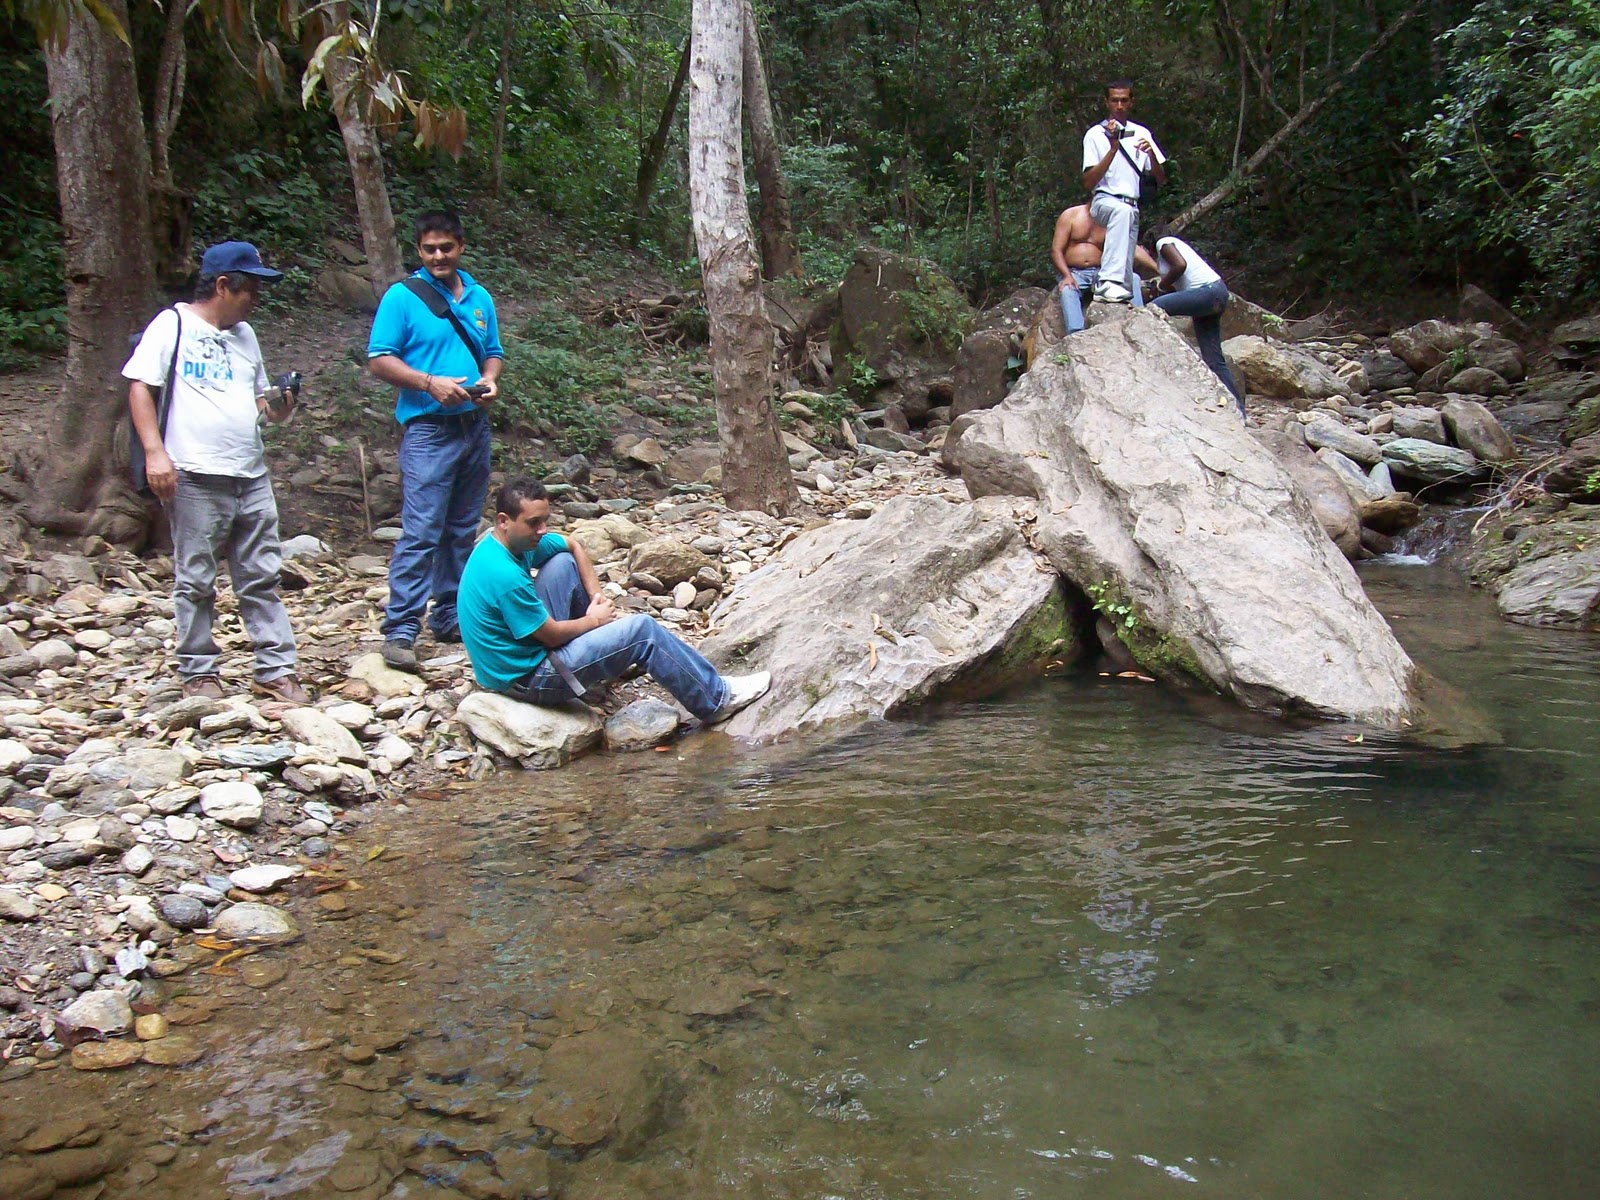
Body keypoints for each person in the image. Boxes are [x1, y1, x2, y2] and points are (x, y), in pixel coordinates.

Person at [123, 241, 310, 704]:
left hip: (249, 473)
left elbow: (261, 404)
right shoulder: (173, 325)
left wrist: (281, 406)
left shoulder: (246, 335)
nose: (258, 298)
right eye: (252, 288)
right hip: (194, 473)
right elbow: (140, 388)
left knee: (261, 574)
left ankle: (274, 669)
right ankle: (198, 670)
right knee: (195, 579)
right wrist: (155, 454)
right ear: (224, 284)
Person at [457, 477, 771, 724]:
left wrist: (596, 596)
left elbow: (573, 545)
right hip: (528, 678)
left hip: (518, 659)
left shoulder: (506, 544)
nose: (542, 530)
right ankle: (714, 700)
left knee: (562, 561)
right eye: (534, 523)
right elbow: (550, 634)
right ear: (503, 520)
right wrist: (594, 621)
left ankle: (597, 668)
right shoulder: (504, 575)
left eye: (545, 520)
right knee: (642, 631)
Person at [367, 210, 504, 673]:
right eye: (430, 249)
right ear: (420, 252)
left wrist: (489, 381)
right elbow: (379, 358)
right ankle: (402, 626)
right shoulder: (403, 298)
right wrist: (428, 383)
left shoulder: (480, 296)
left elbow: (493, 354)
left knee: (462, 526)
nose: (439, 256)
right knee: (422, 529)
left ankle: (449, 613)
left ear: (460, 246)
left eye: (446, 247)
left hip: (473, 425)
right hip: (428, 428)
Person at [1081, 78, 1166, 305]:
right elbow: (1088, 182)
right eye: (1115, 101)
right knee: (1121, 212)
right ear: (1107, 103)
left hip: (1132, 204)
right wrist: (1113, 148)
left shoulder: (1141, 133)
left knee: (1126, 258)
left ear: (1131, 102)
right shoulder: (1095, 135)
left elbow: (1161, 179)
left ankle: (1121, 293)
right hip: (1105, 201)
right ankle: (1107, 281)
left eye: (1124, 101)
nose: (1119, 106)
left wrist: (1151, 157)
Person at [1146, 224, 1246, 415]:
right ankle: (1239, 410)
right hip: (1216, 293)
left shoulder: (1164, 242)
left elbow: (1179, 266)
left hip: (1207, 292)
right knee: (1214, 359)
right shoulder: (1179, 245)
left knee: (1155, 308)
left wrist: (1160, 286)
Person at [1050, 204, 1160, 333]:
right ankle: (1076, 332)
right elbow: (1056, 250)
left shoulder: (1113, 220)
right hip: (1074, 272)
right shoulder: (1071, 215)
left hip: (1103, 270)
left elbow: (1132, 248)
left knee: (1133, 278)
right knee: (1068, 290)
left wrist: (1158, 269)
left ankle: (1140, 321)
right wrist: (1066, 275)